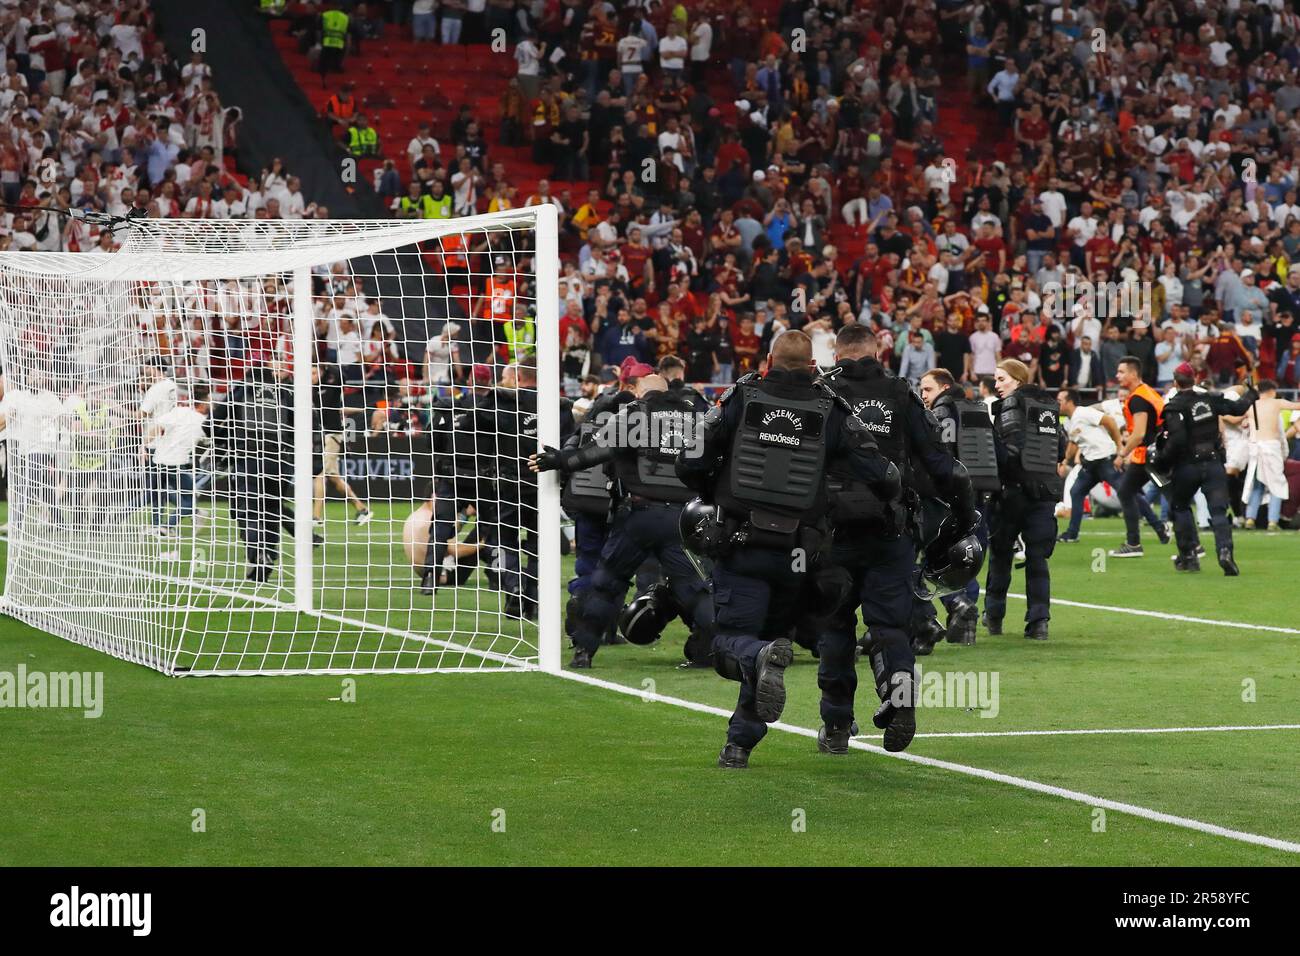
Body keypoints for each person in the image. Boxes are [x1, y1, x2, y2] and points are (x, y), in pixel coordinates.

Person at [676, 330, 898, 769]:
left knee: (730, 645)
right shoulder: (831, 407)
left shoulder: (743, 396)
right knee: (770, 647)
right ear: (814, 365)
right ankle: (738, 743)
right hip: (801, 554)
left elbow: (691, 459)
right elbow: (879, 472)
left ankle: (746, 720)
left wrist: (713, 489)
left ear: (768, 359)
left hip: (742, 546)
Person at [817, 329, 980, 755]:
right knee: (890, 626)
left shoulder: (823, 392)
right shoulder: (901, 393)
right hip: (891, 529)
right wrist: (964, 516)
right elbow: (942, 464)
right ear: (879, 351)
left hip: (831, 532)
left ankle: (836, 725)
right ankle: (900, 695)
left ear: (837, 352)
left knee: (836, 627)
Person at [532, 373, 712, 667]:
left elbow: (597, 451)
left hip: (638, 516)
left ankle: (584, 651)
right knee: (695, 588)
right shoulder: (696, 418)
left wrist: (560, 460)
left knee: (606, 583)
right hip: (682, 519)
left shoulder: (635, 413)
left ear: (640, 393)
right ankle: (712, 649)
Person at [983, 359, 1068, 640]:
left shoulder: (1010, 405)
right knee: (1037, 559)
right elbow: (1061, 446)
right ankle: (1039, 622)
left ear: (1018, 380)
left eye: (1002, 379)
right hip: (1044, 493)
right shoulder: (1049, 405)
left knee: (1001, 556)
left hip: (1013, 492)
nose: (997, 386)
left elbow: (1010, 450)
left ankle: (994, 617)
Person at [917, 366, 998, 646]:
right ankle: (965, 624)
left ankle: (954, 605)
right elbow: (995, 450)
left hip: (949, 498)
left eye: (927, 389)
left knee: (931, 558)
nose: (922, 394)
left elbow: (936, 458)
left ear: (944, 387)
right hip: (982, 494)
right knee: (969, 558)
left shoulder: (937, 413)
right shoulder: (977, 410)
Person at [1157, 364, 1259, 574]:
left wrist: (1162, 462)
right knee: (1219, 511)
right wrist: (1252, 392)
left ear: (1176, 383)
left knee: (1180, 506)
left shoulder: (1174, 407)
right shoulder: (1210, 399)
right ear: (1194, 379)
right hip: (1213, 462)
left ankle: (1188, 556)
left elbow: (1177, 441)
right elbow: (1238, 407)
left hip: (1187, 466)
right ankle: (1225, 552)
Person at [208, 361, 297, 582]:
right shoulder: (283, 393)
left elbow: (210, 424)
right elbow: (299, 427)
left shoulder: (242, 390)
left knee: (248, 512)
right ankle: (268, 556)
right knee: (272, 511)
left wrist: (227, 440)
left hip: (248, 460)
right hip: (279, 461)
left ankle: (258, 554)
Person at [1055, 388, 1161, 543]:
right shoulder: (1069, 421)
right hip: (1091, 465)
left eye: (1060, 401)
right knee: (1076, 492)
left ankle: (1158, 526)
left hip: (1106, 460)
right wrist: (1064, 460)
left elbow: (1109, 421)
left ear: (1070, 402)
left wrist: (1119, 445)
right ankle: (1072, 534)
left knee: (1128, 493)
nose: (1057, 404)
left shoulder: (1084, 412)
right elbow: (1073, 442)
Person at [1109, 356, 1172, 557]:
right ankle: (1166, 533)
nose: (1117, 376)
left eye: (1121, 372)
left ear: (1133, 374)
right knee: (1134, 491)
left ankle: (1134, 544)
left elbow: (1139, 433)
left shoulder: (1137, 398)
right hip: (1160, 450)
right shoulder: (1149, 392)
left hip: (1148, 453)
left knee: (1127, 492)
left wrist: (1122, 454)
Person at [312, 363, 373, 529]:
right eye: (310, 373)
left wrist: (328, 366)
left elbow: (341, 379)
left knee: (320, 474)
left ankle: (316, 517)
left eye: (314, 373)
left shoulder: (330, 389)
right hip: (319, 438)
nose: (312, 376)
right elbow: (338, 410)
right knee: (334, 478)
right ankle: (362, 509)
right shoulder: (310, 393)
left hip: (331, 436)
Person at [1243, 380, 1300, 531]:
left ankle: (1250, 518)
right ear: (1271, 391)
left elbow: (1243, 425)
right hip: (1271, 447)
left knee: (1257, 487)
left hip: (1255, 449)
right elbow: (1297, 406)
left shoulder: (1251, 406)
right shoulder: (1276, 403)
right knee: (1276, 485)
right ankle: (1272, 521)